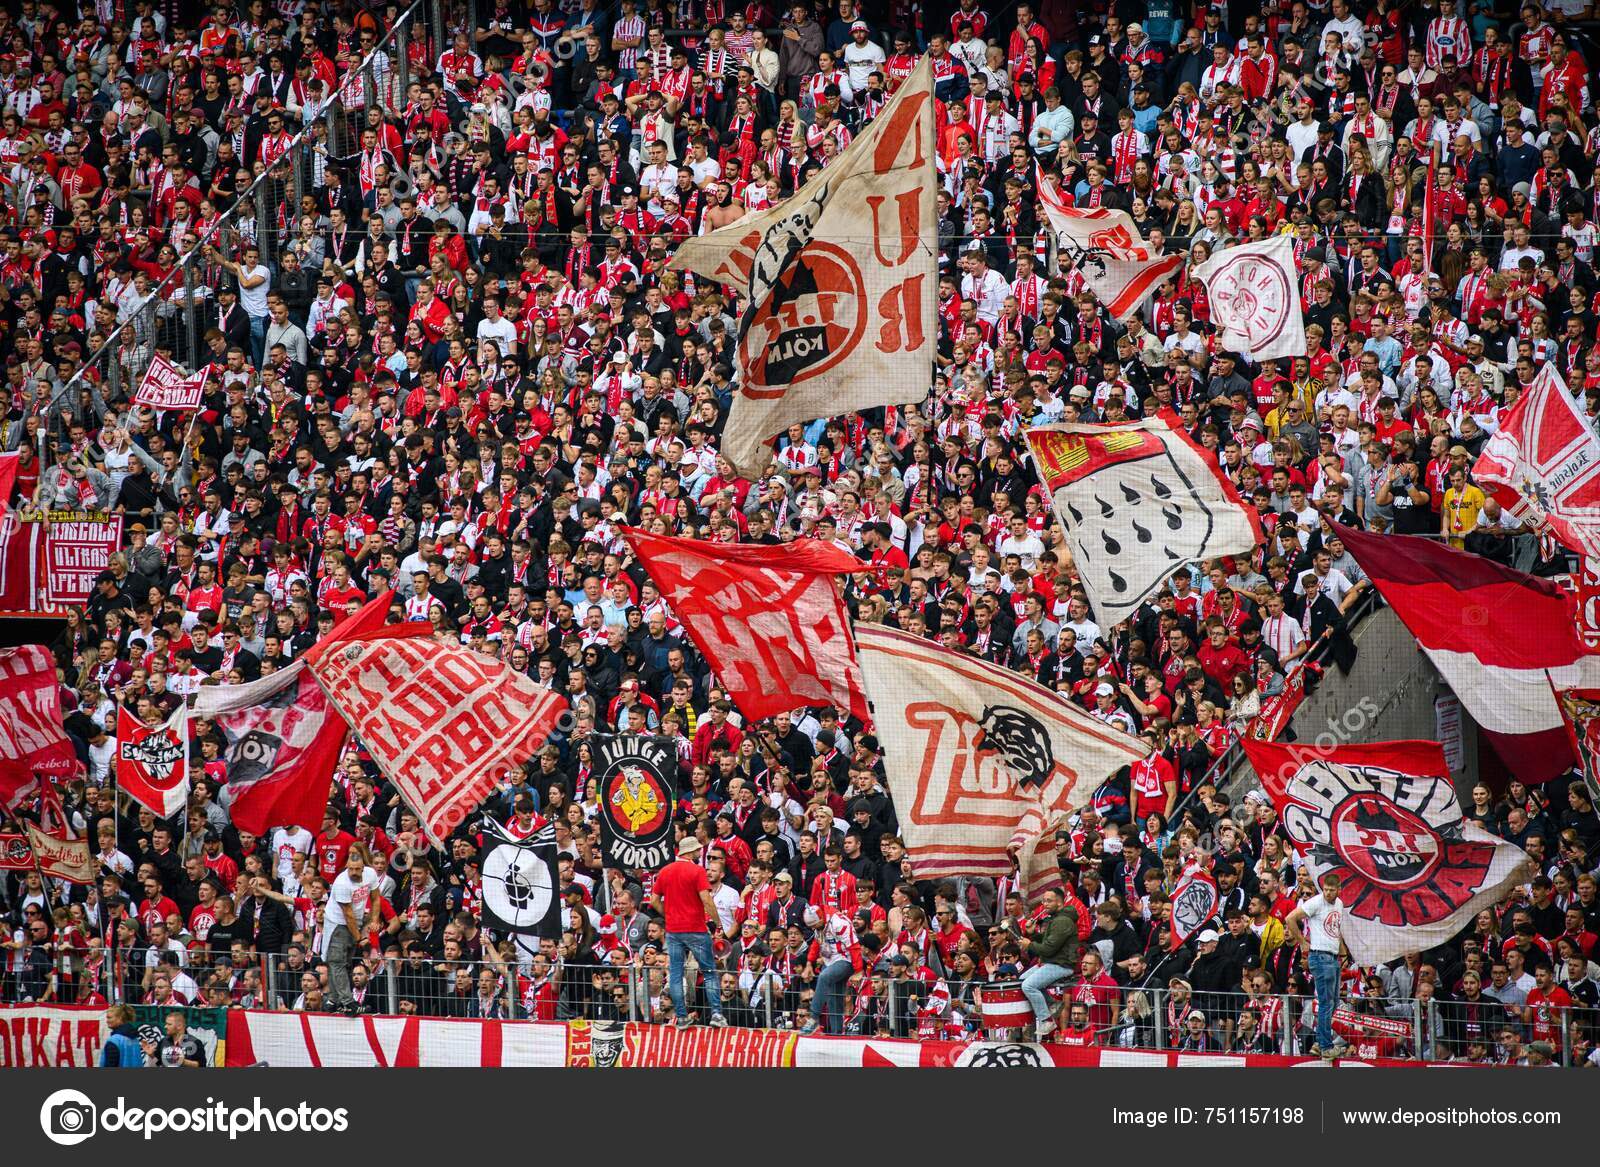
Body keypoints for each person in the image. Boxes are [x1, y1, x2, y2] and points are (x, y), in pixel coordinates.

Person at [650, 836, 727, 1029]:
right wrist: (718, 923)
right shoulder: (697, 871)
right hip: (696, 928)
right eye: (697, 849)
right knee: (709, 972)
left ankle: (682, 1017)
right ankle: (716, 1014)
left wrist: (668, 914)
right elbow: (706, 900)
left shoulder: (665, 871)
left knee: (675, 974)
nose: (700, 852)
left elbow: (653, 901)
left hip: (674, 931)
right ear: (690, 851)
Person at [1286, 872, 1349, 1058]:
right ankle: (1325, 1045)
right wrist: (1302, 942)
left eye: (1332, 890)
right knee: (1326, 1003)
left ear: (1339, 890)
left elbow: (1335, 930)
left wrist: (1343, 952)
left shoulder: (1339, 904)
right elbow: (1290, 918)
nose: (1328, 893)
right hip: (1320, 956)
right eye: (1326, 890)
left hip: (1333, 957)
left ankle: (1319, 1042)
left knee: (1334, 1003)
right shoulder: (1316, 902)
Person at [1017, 886, 1080, 1039]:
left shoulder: (1062, 921)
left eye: (1049, 901)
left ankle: (1046, 1020)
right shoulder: (1057, 919)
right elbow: (1048, 942)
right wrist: (1033, 935)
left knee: (1028, 985)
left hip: (1061, 965)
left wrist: (1029, 945)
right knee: (1021, 980)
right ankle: (1052, 1004)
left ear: (1059, 903)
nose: (1045, 904)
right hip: (1054, 962)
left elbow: (1048, 949)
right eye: (1044, 901)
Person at [324, 844, 378, 1016]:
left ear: (363, 868)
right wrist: (360, 938)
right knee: (337, 962)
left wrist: (374, 920)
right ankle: (348, 1003)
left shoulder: (370, 874)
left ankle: (333, 1001)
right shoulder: (341, 883)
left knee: (345, 963)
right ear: (347, 867)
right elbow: (347, 914)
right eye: (351, 869)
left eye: (357, 869)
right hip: (337, 923)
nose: (354, 872)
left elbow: (376, 899)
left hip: (357, 920)